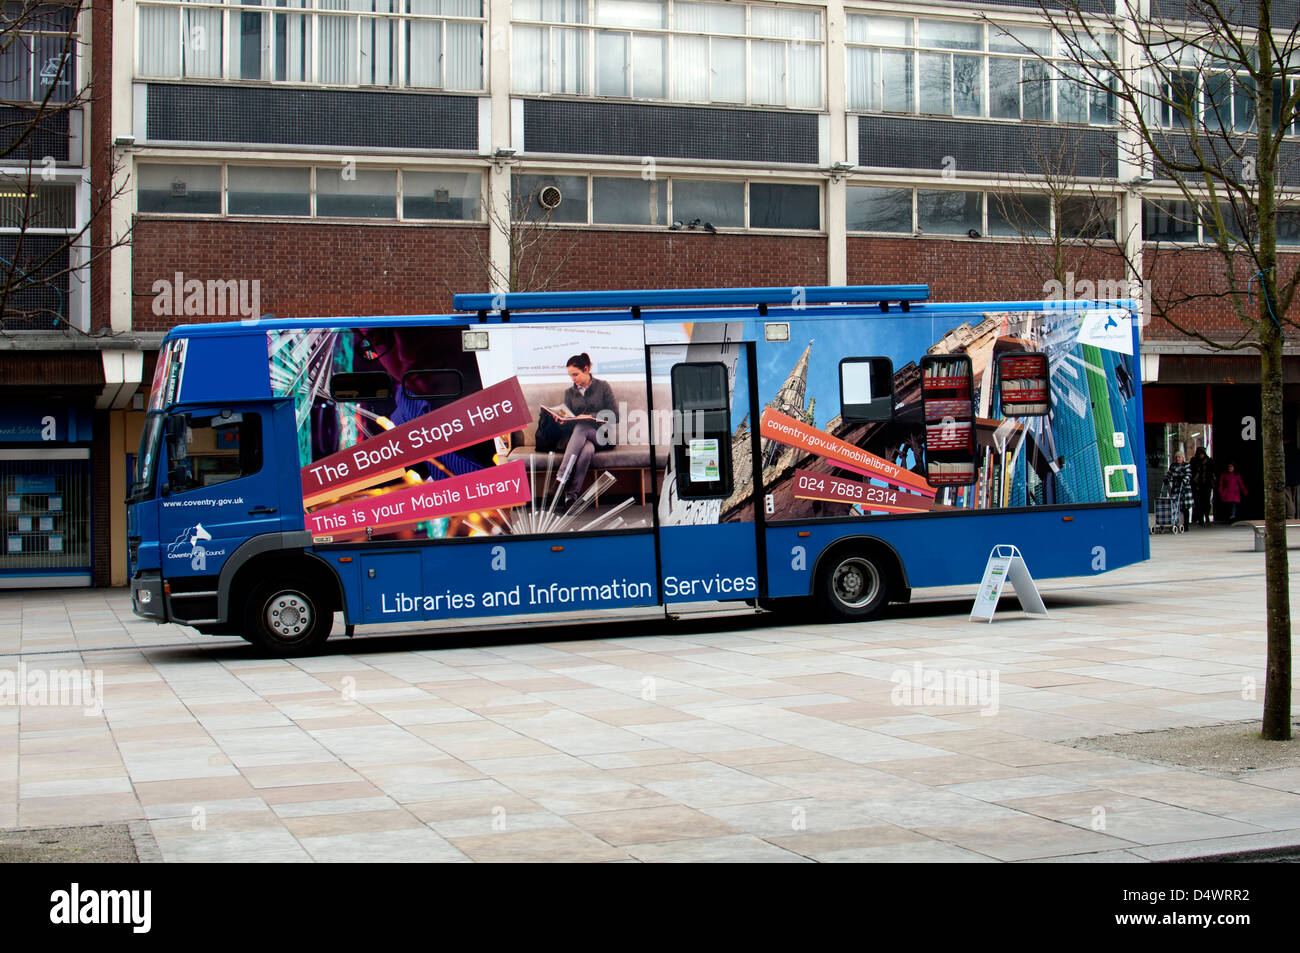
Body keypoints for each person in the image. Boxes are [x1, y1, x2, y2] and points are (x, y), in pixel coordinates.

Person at [556, 353, 617, 505]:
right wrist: (562, 420)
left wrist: (591, 416)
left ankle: (561, 478)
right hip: (581, 439)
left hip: (603, 437)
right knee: (587, 449)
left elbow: (615, 415)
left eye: (575, 374)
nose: (573, 379)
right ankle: (571, 496)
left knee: (582, 426)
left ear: (586, 369)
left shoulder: (603, 386)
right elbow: (570, 418)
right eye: (570, 376)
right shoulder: (569, 393)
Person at [1162, 451, 1193, 529]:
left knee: (1185, 508)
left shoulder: (1186, 465)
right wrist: (1166, 479)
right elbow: (1169, 474)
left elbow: (1188, 475)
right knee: (1175, 506)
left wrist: (1183, 480)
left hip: (1184, 489)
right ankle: (1175, 522)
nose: (1178, 459)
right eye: (1177, 457)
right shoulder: (1173, 466)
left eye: (1179, 457)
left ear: (1183, 458)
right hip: (1176, 488)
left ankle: (1186, 525)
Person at [1189, 447, 1214, 525]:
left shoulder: (1209, 461)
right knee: (1198, 502)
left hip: (1206, 485)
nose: (1200, 455)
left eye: (1202, 453)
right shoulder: (1194, 461)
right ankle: (1199, 518)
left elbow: (1212, 472)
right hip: (1197, 485)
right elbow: (1192, 473)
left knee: (1206, 502)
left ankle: (1206, 516)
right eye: (1199, 453)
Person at [1285, 437, 1300, 519]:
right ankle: (1291, 515)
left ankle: (1290, 516)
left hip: (1287, 479)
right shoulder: (1295, 450)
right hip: (1295, 479)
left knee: (1288, 499)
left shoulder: (1284, 451)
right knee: (1292, 498)